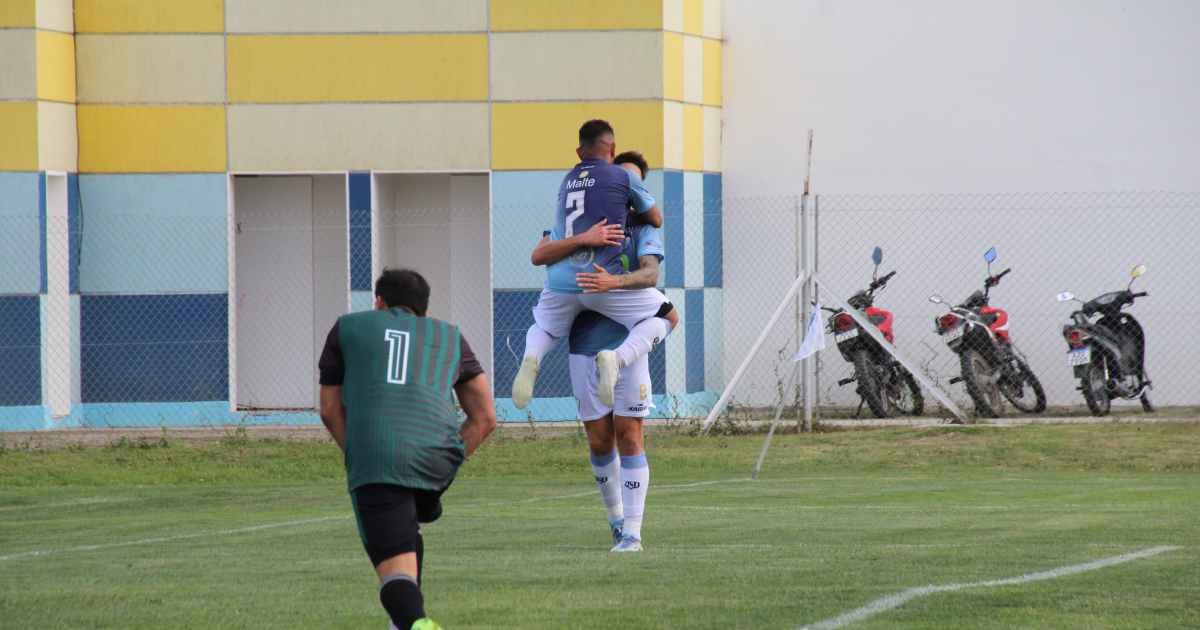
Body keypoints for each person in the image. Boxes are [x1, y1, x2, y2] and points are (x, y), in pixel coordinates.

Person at [318, 269, 497, 630]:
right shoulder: (450, 335)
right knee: (407, 532)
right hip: (438, 457)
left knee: (394, 572)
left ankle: (417, 624)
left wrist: (359, 452)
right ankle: (426, 501)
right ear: (424, 310)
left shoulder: (348, 327)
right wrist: (447, 461)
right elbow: (485, 418)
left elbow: (329, 410)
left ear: (379, 302)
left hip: (379, 456)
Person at [512, 120, 675, 411]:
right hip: (601, 281)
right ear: (612, 150)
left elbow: (538, 256)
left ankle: (532, 357)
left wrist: (582, 236)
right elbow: (656, 219)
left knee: (545, 327)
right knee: (669, 316)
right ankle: (618, 358)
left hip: (560, 284)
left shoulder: (567, 182)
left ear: (579, 151)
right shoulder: (623, 178)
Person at [566, 151, 678, 552]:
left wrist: (613, 283)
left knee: (629, 432)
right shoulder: (579, 222)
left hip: (628, 344)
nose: (627, 189)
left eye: (635, 184)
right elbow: (548, 259)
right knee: (599, 440)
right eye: (622, 180)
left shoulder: (644, 229)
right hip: (585, 343)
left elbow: (650, 273)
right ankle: (615, 520)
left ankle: (633, 532)